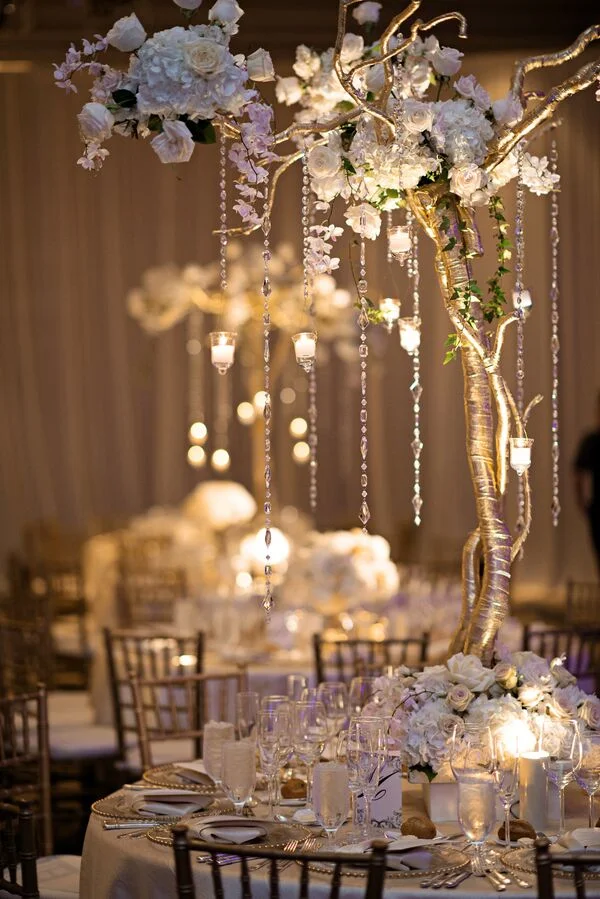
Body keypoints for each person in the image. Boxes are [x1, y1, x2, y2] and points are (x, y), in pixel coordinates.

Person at [574, 393, 600, 577]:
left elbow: (578, 475)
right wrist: (582, 502)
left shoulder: (591, 441)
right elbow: (578, 473)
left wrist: (582, 501)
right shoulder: (591, 441)